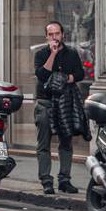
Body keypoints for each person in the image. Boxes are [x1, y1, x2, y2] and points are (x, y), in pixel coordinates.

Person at [34, 20, 85, 195]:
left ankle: (65, 180)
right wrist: (53, 55)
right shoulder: (41, 54)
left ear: (63, 35)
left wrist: (67, 78)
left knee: (66, 143)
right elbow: (41, 75)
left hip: (65, 103)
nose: (55, 37)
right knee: (44, 144)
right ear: (46, 37)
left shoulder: (72, 53)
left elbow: (80, 73)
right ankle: (46, 181)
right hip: (45, 103)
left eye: (57, 34)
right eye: (51, 34)